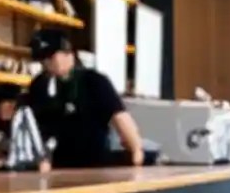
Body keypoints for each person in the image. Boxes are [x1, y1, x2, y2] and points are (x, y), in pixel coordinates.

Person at [26, 29, 145, 168]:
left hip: (95, 162)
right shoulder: (39, 85)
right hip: (58, 165)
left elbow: (119, 116)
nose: (46, 63)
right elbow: (34, 127)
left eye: (50, 57)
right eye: (42, 59)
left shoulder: (94, 80)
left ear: (68, 52)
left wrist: (136, 149)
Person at [0, 82, 50, 172]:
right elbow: (2, 149)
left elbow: (41, 146)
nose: (10, 107)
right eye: (7, 103)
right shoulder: (1, 121)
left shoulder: (27, 116)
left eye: (13, 104)